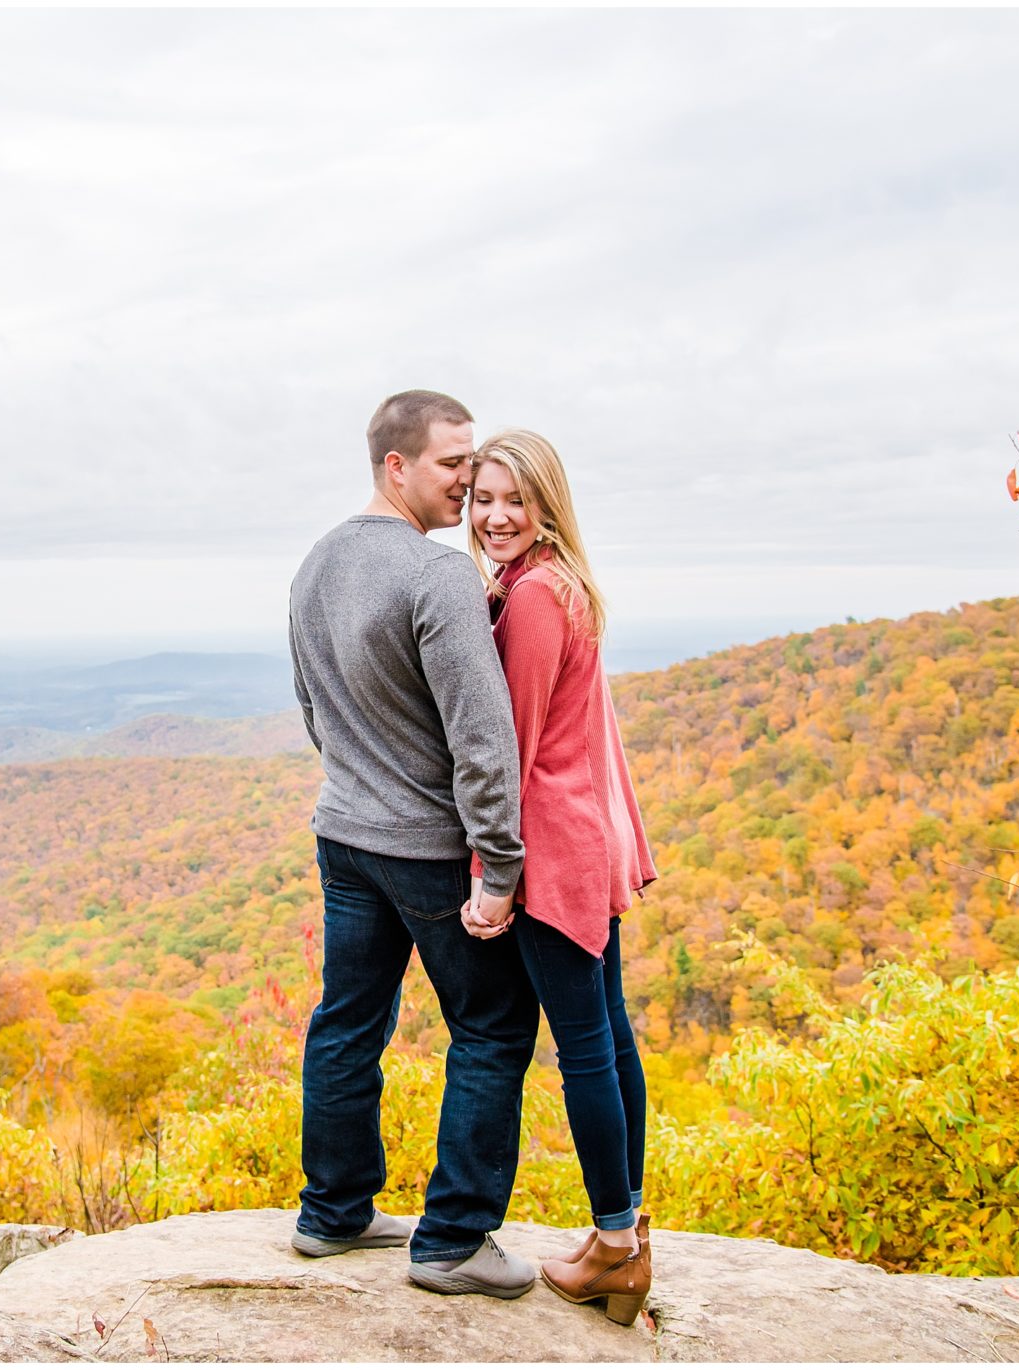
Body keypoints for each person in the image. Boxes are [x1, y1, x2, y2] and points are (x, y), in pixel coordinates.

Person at [286, 389, 543, 1299]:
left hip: (343, 834)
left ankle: (333, 1213)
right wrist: (500, 867)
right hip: (428, 848)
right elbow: (483, 740)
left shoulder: (316, 564)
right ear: (396, 466)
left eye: (471, 461)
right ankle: (455, 1240)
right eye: (451, 463)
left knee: (348, 1022)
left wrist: (364, 781)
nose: (468, 479)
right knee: (495, 1025)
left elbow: (315, 711)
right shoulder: (435, 575)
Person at [460, 427, 660, 1325]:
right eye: (482, 499)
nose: (496, 516)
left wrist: (489, 875)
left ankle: (615, 1248)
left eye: (514, 499)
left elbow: (512, 751)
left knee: (585, 1048)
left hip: (551, 852)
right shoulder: (564, 586)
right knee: (610, 1037)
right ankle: (620, 1234)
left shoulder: (536, 599)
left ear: (546, 505)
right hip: (588, 840)